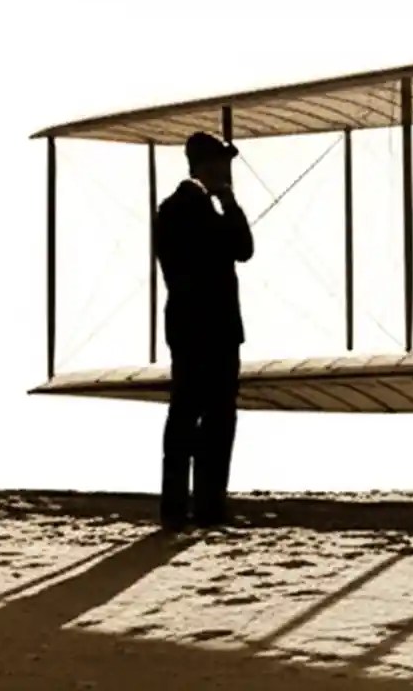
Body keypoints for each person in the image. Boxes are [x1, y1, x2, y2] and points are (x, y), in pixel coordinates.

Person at [153, 131, 254, 531]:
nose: (226, 172)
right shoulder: (197, 211)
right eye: (221, 164)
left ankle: (175, 507)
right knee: (215, 420)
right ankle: (207, 507)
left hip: (187, 326)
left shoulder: (171, 209)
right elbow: (243, 248)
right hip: (212, 328)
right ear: (207, 166)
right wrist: (228, 202)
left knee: (184, 416)